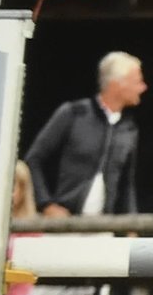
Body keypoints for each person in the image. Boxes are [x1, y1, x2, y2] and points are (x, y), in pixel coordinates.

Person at [24, 52, 145, 219]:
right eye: (137, 81)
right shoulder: (74, 113)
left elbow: (126, 184)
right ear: (117, 84)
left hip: (105, 226)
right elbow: (33, 159)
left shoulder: (128, 129)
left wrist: (131, 224)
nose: (143, 87)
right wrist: (46, 204)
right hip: (65, 224)